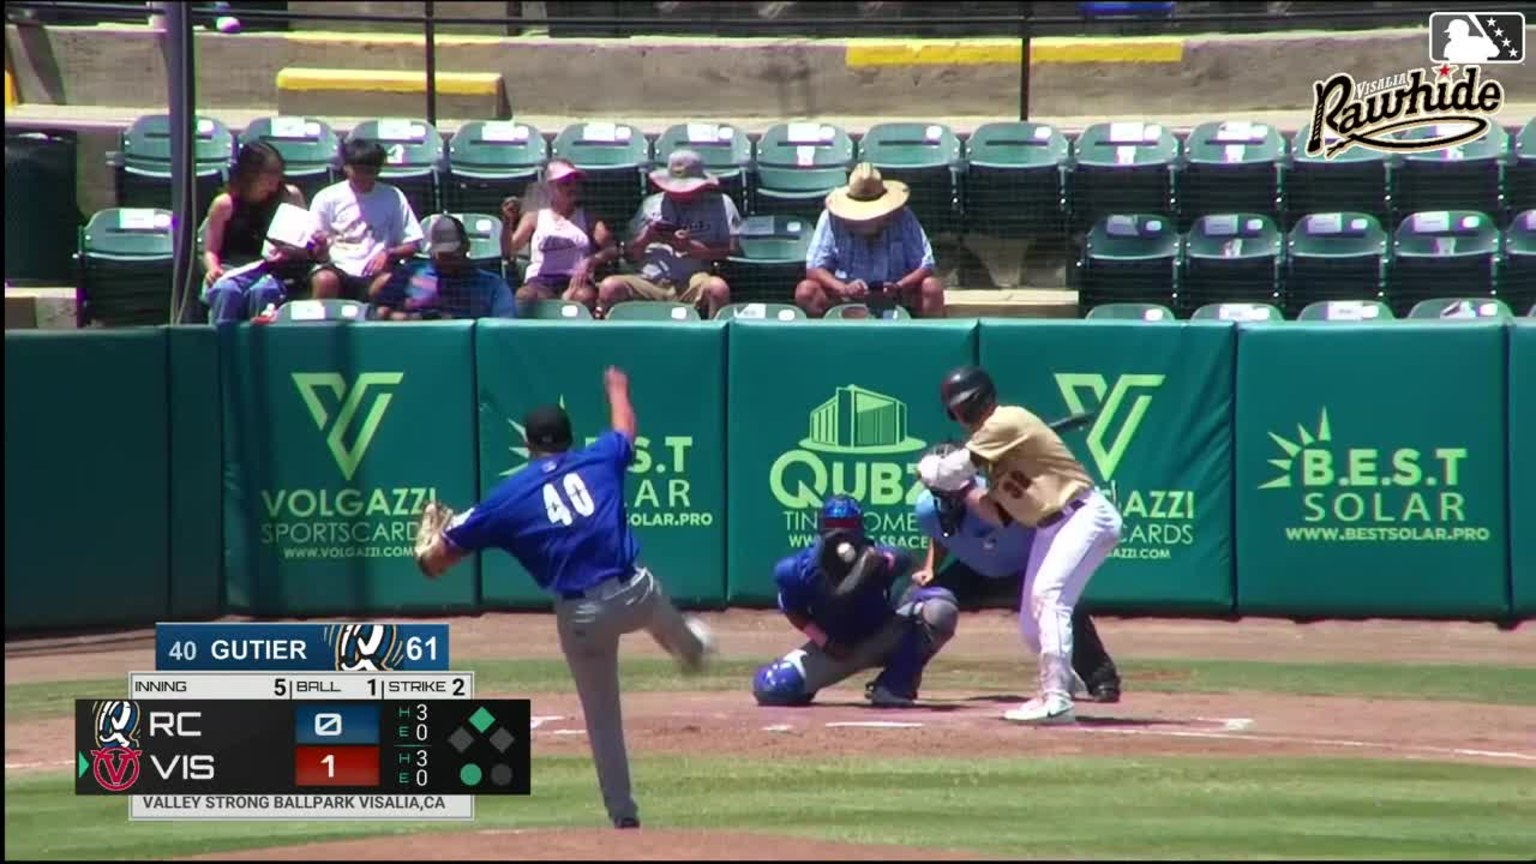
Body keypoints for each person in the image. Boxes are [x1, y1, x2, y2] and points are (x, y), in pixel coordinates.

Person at [413, 366, 714, 830]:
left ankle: (624, 815)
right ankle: (690, 648)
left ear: (529, 446)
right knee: (662, 613)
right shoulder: (600, 458)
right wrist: (618, 390)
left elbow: (436, 564)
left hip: (583, 615)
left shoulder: (506, 498)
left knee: (602, 718)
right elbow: (625, 427)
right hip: (634, 591)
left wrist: (427, 549)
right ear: (570, 439)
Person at [938, 365, 1124, 726]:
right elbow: (997, 513)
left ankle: (1056, 698)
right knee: (1030, 623)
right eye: (958, 411)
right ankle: (1060, 685)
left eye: (967, 407)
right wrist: (961, 491)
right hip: (1049, 526)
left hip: (1083, 514)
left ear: (982, 399)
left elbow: (948, 469)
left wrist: (934, 471)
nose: (965, 416)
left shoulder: (1007, 420)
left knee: (1049, 597)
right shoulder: (995, 459)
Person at [913, 441, 1122, 704]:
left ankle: (1101, 680)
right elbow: (942, 535)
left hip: (1024, 567)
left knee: (1058, 605)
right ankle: (900, 680)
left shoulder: (1000, 491)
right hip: (976, 570)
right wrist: (930, 568)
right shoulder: (925, 509)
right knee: (923, 604)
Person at [752, 495, 959, 708]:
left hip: (885, 636)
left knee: (941, 609)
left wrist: (883, 562)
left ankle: (895, 685)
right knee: (771, 687)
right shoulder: (796, 570)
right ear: (821, 527)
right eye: (833, 525)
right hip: (838, 649)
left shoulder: (878, 556)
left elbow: (904, 558)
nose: (841, 533)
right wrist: (825, 642)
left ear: (860, 527)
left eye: (849, 525)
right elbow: (792, 609)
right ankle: (804, 689)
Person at [598, 149, 739, 319]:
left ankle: (712, 340)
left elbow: (733, 251)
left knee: (718, 288)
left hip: (692, 282)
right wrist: (646, 238)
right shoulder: (651, 205)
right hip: (649, 281)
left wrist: (692, 247)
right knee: (610, 286)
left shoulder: (721, 205)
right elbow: (628, 256)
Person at [795, 162, 946, 319]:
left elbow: (926, 265)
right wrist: (844, 289)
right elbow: (814, 269)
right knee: (806, 291)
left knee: (931, 287)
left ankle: (923, 341)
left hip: (898, 297)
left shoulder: (904, 216)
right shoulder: (830, 218)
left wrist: (899, 286)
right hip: (844, 298)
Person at [200, 141, 322, 323]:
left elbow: (304, 244)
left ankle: (259, 345)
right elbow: (210, 251)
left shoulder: (290, 196)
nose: (275, 180)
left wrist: (297, 250)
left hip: (272, 269)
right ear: (249, 174)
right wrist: (213, 268)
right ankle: (222, 344)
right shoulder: (225, 204)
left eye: (277, 174)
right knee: (226, 291)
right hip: (233, 269)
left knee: (264, 290)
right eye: (269, 174)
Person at [308, 139, 424, 302]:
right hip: (337, 267)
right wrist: (320, 246)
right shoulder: (327, 197)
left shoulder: (393, 196)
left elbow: (412, 244)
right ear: (346, 167)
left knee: (389, 282)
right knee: (324, 280)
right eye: (359, 170)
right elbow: (315, 251)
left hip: (376, 272)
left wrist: (388, 253)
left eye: (370, 171)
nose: (364, 176)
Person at [501, 159, 618, 313]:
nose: (572, 187)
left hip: (576, 280)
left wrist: (591, 261)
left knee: (584, 297)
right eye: (565, 183)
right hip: (541, 281)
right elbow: (509, 251)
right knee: (526, 296)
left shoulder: (588, 218)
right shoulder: (534, 217)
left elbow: (612, 249)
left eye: (575, 182)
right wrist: (507, 221)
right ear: (550, 187)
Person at [371, 214, 517, 320]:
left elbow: (503, 326)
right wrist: (418, 319)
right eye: (443, 254)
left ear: (466, 247)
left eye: (453, 254)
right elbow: (377, 313)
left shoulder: (491, 285)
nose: (448, 260)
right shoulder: (410, 274)